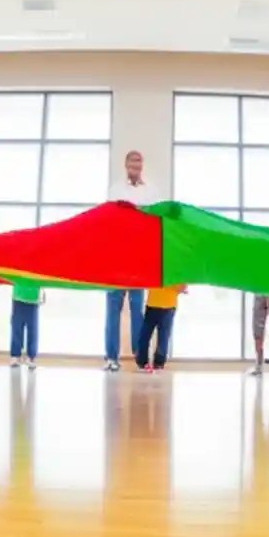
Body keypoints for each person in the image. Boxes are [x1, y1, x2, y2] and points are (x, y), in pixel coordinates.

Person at [103, 150, 156, 371]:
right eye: (132, 162)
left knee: (137, 309)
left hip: (137, 258)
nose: (136, 166)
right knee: (113, 309)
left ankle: (140, 357)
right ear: (126, 165)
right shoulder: (116, 190)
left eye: (139, 163)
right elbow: (108, 219)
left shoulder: (149, 191)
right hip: (116, 257)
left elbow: (153, 221)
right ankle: (111, 358)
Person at [136, 284, 184, 373]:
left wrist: (179, 287)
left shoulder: (178, 272)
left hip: (168, 306)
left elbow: (182, 287)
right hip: (152, 305)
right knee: (144, 335)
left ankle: (158, 363)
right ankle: (142, 361)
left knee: (163, 337)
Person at [10, 281, 41, 369]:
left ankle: (31, 357)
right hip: (18, 298)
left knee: (33, 330)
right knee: (16, 328)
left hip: (33, 300)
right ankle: (15, 356)